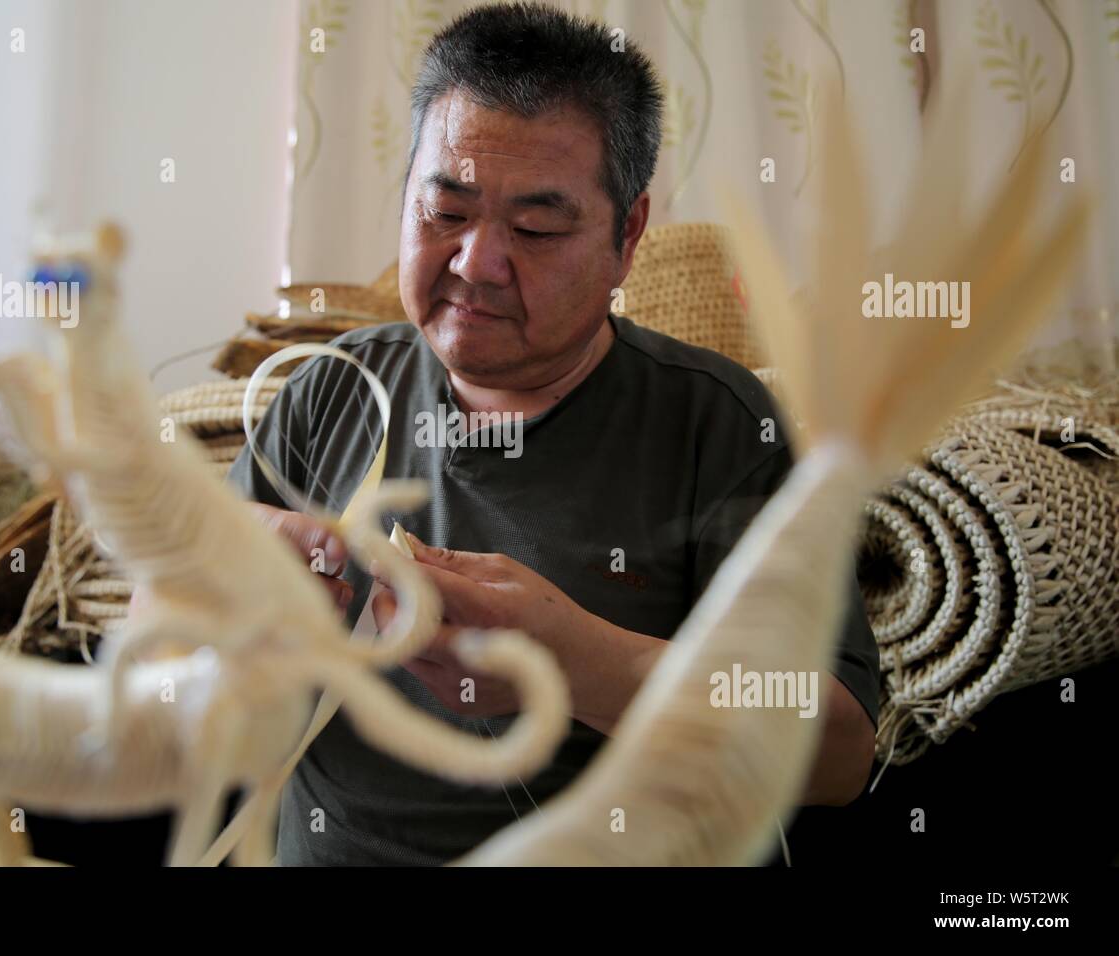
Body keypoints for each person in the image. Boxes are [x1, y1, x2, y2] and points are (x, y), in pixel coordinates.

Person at [218, 2, 879, 865]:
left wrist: (576, 661)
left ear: (626, 236)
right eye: (445, 212)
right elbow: (158, 633)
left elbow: (840, 750)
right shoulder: (332, 390)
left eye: (534, 229)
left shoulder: (716, 422)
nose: (476, 263)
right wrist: (221, 598)